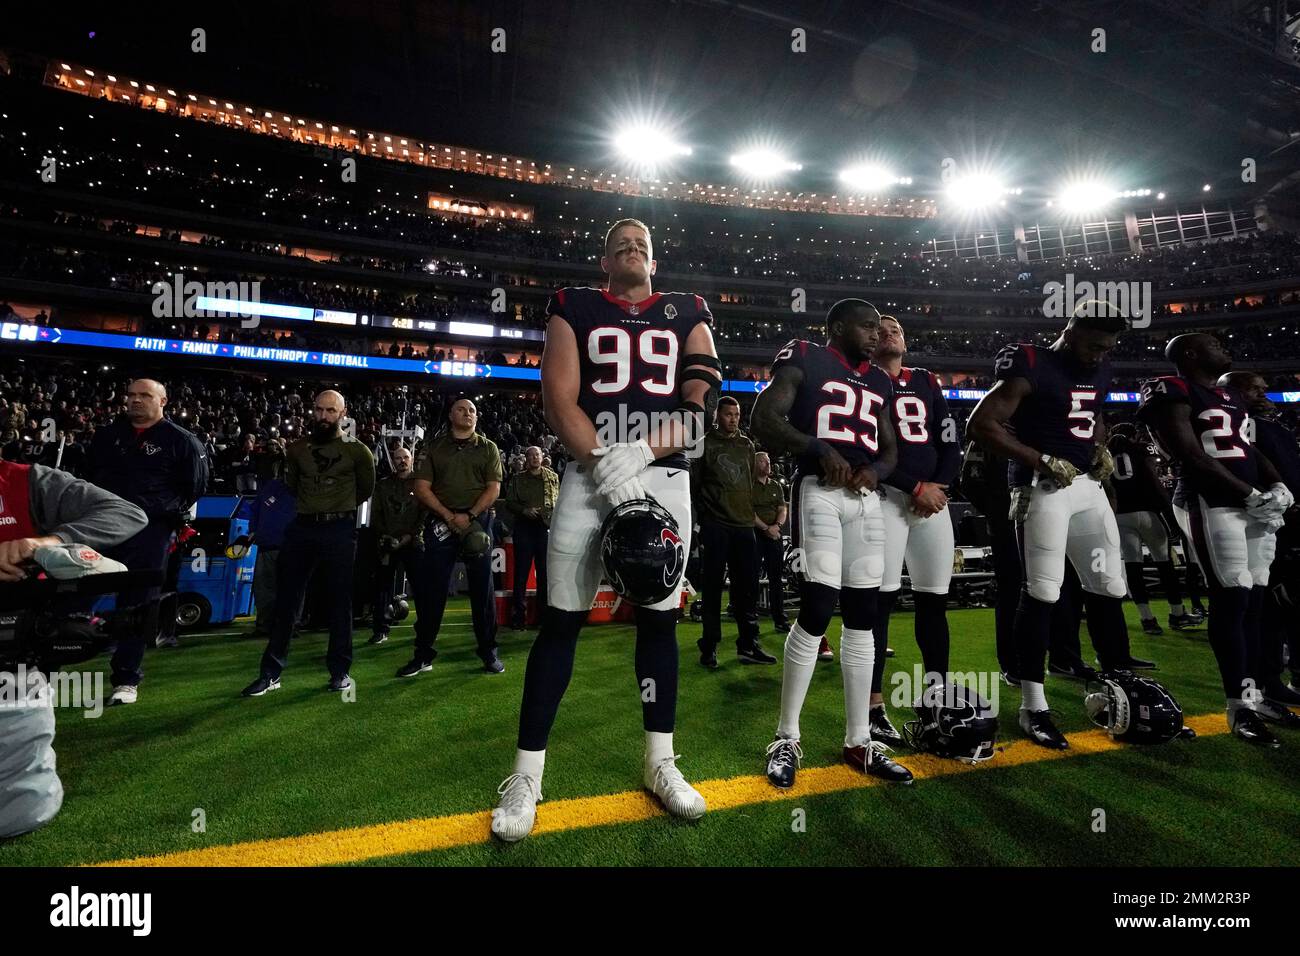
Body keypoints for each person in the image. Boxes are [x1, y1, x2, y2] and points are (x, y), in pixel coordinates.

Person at [490, 218, 722, 842]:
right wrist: (606, 467)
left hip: (664, 475)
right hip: (587, 477)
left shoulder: (687, 309)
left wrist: (643, 453)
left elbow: (699, 404)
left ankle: (660, 761)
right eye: (621, 242)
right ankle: (526, 774)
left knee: (658, 621)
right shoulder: (573, 306)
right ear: (603, 259)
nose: (633, 247)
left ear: (655, 259)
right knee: (561, 620)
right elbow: (558, 399)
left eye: (643, 243)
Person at [752, 299, 913, 789]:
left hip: (863, 499)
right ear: (838, 327)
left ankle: (858, 740)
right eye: (867, 327)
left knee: (864, 616)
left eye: (879, 329)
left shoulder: (881, 381)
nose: (877, 336)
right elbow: (764, 419)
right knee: (818, 608)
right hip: (817, 492)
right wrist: (819, 448)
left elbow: (890, 451)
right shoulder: (805, 355)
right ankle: (786, 736)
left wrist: (875, 470)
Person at [967, 314, 1143, 750]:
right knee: (1043, 589)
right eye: (1092, 345)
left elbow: (1093, 411)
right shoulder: (1031, 362)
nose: (1099, 354)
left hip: (1086, 487)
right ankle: (1033, 706)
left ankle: (1124, 692)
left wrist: (1098, 446)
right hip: (1042, 485)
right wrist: (1040, 459)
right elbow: (981, 424)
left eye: (1106, 348)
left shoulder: (1099, 367)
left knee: (1108, 586)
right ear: (1068, 332)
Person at [1140, 344, 1297, 745]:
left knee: (1256, 604)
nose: (1223, 349)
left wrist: (1276, 484)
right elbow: (1188, 454)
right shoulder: (1171, 388)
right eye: (1212, 345)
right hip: (1210, 502)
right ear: (1191, 355)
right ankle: (1238, 707)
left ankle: (1257, 695)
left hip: (1249, 503)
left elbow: (1248, 448)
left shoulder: (1228, 397)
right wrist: (1248, 493)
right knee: (1233, 599)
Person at [0, 457, 147, 837]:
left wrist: (46, 542)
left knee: (18, 808)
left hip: (12, 658)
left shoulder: (27, 481)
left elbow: (125, 513)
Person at [241, 390, 375, 697]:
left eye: (330, 411)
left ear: (343, 414)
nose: (324, 416)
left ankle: (340, 672)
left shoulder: (359, 451)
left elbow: (364, 490)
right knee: (287, 601)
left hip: (339, 529)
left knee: (340, 603)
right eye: (319, 410)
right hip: (302, 527)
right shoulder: (297, 450)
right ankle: (271, 673)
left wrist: (334, 507)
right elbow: (291, 485)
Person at [88, 378, 209, 706]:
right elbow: (86, 478)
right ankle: (51, 669)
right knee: (76, 591)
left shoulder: (182, 441)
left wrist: (160, 514)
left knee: (138, 603)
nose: (136, 401)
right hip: (101, 526)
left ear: (163, 401)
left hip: (150, 531)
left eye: (144, 395)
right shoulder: (107, 436)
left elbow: (194, 487)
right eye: (131, 395)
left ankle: (126, 679)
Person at [869, 315, 961, 746]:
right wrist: (915, 486)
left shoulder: (924, 380)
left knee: (933, 602)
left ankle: (937, 694)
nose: (890, 333)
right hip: (886, 498)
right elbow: (865, 446)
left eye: (896, 329)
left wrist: (939, 487)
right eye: (881, 329)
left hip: (932, 505)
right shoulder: (863, 380)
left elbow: (948, 438)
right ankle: (873, 708)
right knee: (879, 603)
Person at [399, 398, 503, 675]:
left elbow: (493, 489)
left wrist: (468, 516)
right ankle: (423, 654)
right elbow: (422, 488)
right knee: (432, 591)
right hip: (441, 522)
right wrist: (448, 516)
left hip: (477, 521)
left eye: (472, 410)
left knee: (483, 590)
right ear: (450, 414)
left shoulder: (488, 447)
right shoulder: (434, 447)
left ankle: (489, 652)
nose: (468, 414)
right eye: (461, 409)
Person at [692, 396, 773, 667]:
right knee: (713, 589)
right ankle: (709, 646)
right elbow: (695, 484)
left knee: (747, 589)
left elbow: (749, 482)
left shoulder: (747, 445)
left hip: (743, 526)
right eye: (728, 414)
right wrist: (701, 521)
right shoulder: (705, 443)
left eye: (737, 414)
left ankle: (748, 644)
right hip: (716, 525)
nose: (734, 419)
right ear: (718, 416)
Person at [1106, 422, 1200, 634]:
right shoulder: (1141, 449)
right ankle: (1177, 614)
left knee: (1133, 566)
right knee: (1165, 565)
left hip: (1120, 516)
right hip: (1147, 513)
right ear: (1134, 436)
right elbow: (1153, 482)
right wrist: (1168, 513)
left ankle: (1147, 619)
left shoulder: (1106, 453)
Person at [369, 445, 433, 647]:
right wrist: (385, 536)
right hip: (388, 544)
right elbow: (376, 514)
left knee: (422, 589)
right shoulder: (383, 485)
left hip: (414, 543)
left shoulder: (421, 484)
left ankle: (425, 631)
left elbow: (425, 514)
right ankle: (380, 630)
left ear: (412, 459)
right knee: (382, 589)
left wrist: (409, 536)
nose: (402, 461)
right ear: (393, 461)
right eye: (398, 458)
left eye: (405, 457)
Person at [501, 446, 557, 631]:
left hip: (544, 529)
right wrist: (524, 510)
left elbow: (557, 502)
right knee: (521, 575)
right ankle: (519, 618)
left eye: (537, 454)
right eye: (531, 455)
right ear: (526, 458)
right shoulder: (517, 479)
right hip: (524, 528)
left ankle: (543, 617)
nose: (534, 457)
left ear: (542, 457)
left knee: (544, 575)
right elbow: (509, 502)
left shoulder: (552, 478)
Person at [247, 443, 297, 640]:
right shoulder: (271, 486)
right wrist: (253, 530)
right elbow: (255, 510)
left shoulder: (303, 490)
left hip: (292, 549)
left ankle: (290, 627)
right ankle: (264, 626)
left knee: (290, 591)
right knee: (264, 590)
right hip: (266, 546)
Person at [751, 452, 789, 632]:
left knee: (776, 579)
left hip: (774, 534)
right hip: (755, 535)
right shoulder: (748, 485)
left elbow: (782, 509)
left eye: (769, 461)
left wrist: (777, 526)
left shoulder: (776, 485)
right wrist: (766, 528)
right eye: (764, 461)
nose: (768, 464)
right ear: (756, 464)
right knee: (751, 578)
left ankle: (780, 619)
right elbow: (748, 512)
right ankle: (750, 620)